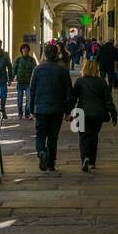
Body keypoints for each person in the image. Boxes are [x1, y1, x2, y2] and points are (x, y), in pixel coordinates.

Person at [29, 42, 74, 171]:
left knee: (40, 134)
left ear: (45, 54)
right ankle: (51, 163)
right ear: (56, 55)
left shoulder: (37, 69)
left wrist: (31, 109)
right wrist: (67, 111)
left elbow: (31, 91)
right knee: (53, 136)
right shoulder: (63, 70)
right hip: (57, 109)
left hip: (41, 109)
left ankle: (41, 152)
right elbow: (69, 92)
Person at [71, 59, 117, 172]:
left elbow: (73, 98)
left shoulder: (79, 81)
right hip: (98, 113)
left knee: (83, 137)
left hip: (82, 113)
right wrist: (113, 113)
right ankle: (92, 161)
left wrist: (68, 112)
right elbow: (108, 100)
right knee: (93, 136)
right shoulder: (101, 82)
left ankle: (85, 157)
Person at [13, 43, 36, 119]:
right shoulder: (18, 60)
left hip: (29, 83)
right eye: (23, 49)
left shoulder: (32, 60)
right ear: (21, 50)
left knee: (28, 100)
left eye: (26, 48)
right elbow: (14, 70)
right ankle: (20, 113)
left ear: (28, 50)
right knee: (19, 100)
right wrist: (10, 79)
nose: (25, 50)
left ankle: (27, 113)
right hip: (20, 83)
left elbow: (35, 70)